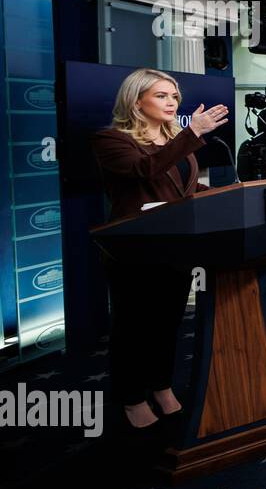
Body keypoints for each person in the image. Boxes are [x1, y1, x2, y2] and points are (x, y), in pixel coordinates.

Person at [90, 68, 230, 428]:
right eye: (161, 96)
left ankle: (161, 386)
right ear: (137, 101)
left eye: (174, 97)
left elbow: (183, 189)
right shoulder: (111, 140)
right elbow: (145, 171)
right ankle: (131, 396)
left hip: (175, 248)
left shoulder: (175, 140)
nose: (172, 103)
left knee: (167, 324)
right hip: (134, 251)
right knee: (133, 327)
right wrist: (192, 133)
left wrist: (228, 196)